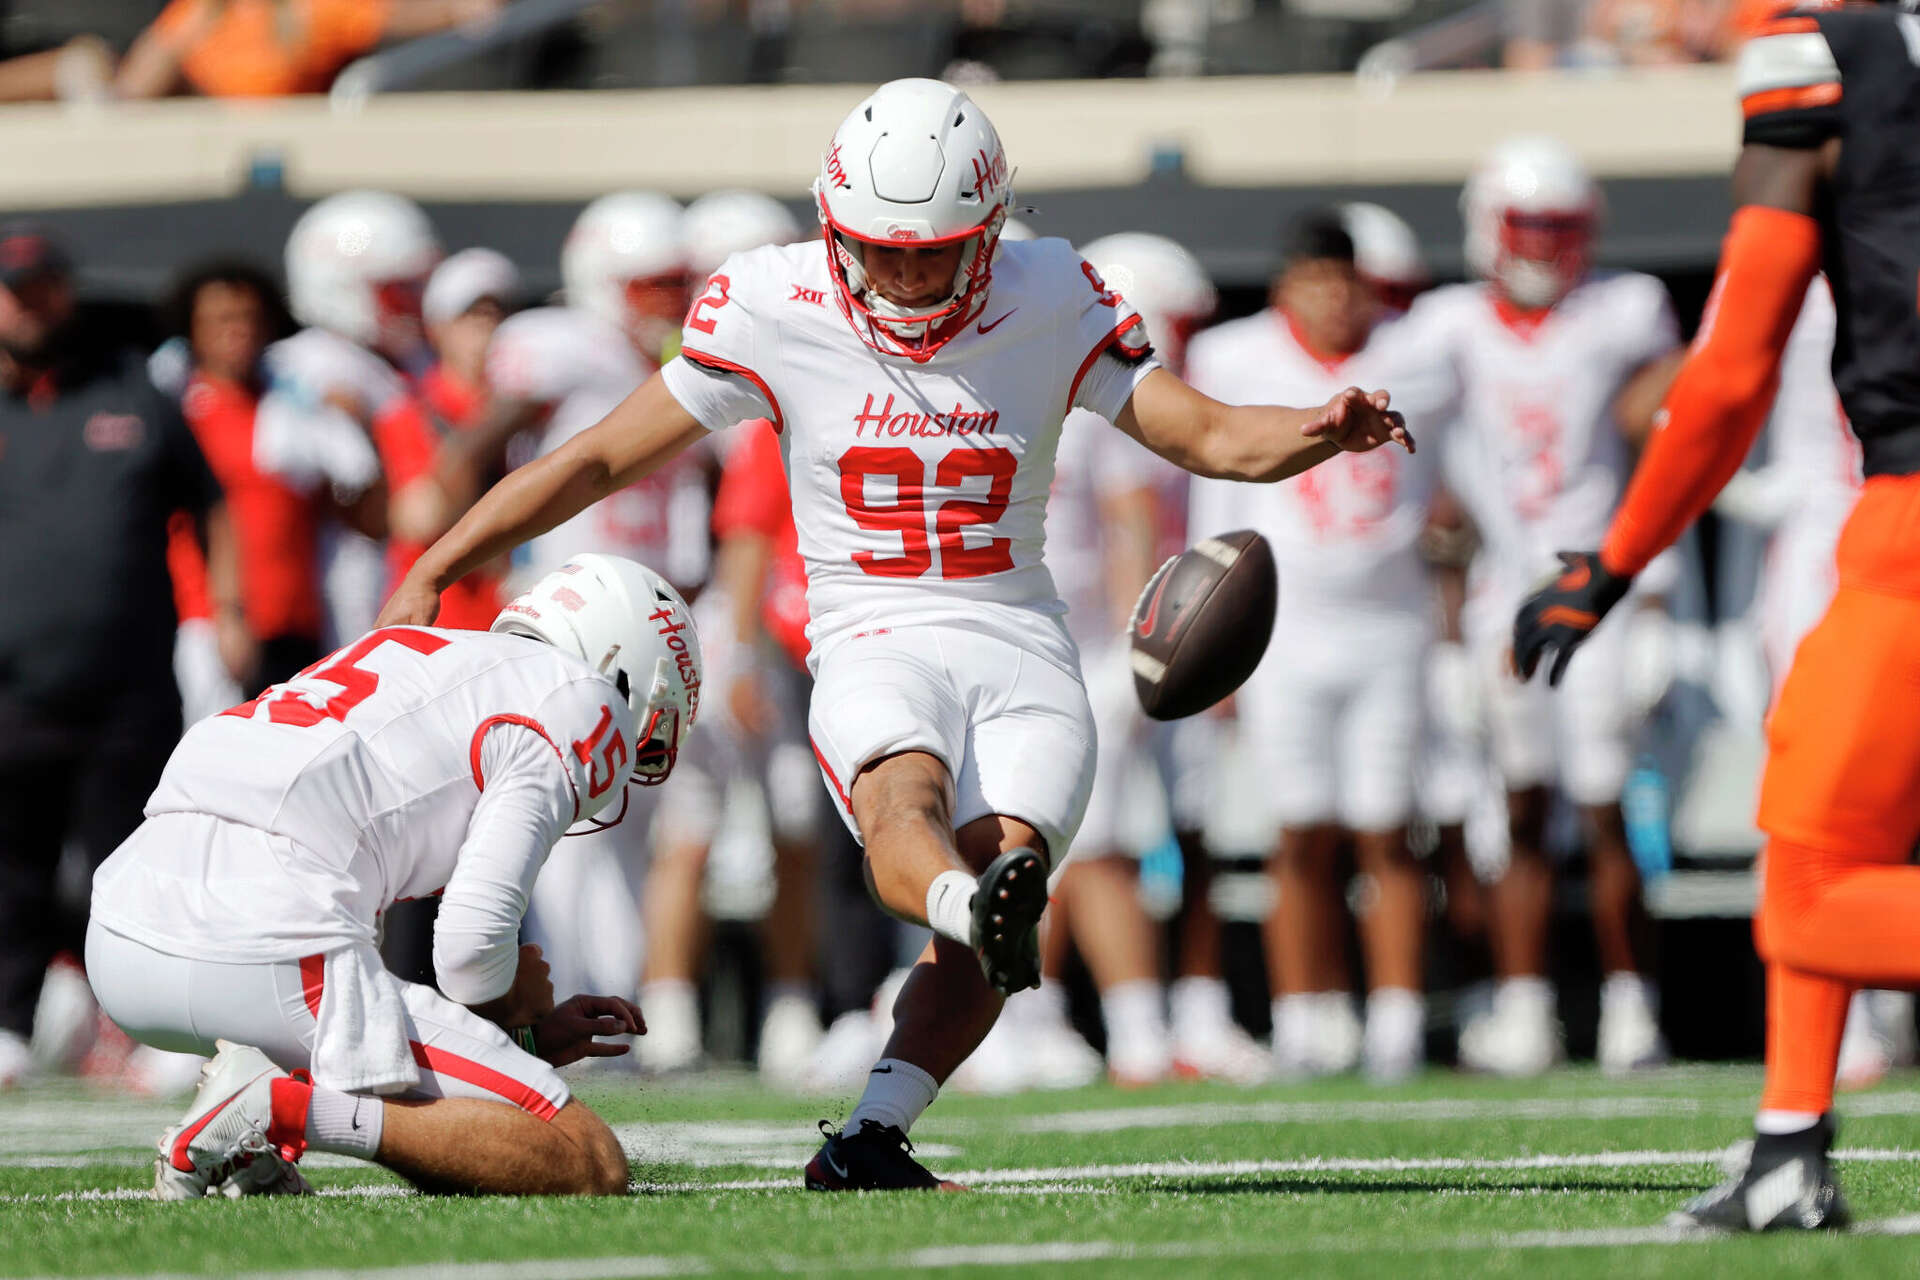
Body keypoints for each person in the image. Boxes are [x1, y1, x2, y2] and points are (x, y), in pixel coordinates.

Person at [379, 77, 1408, 1191]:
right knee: (905, 806)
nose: (909, 276)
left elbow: (1207, 433)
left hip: (1019, 632)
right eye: (883, 250)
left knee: (1009, 874)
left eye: (937, 253)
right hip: (871, 626)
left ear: (991, 227)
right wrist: (440, 560)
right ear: (836, 226)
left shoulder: (1053, 292)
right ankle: (967, 909)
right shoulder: (776, 300)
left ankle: (871, 1133)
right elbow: (594, 458)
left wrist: (1320, 429)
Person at [1514, 6, 1920, 1224]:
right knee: (1815, 836)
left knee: (1810, 891)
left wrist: (1613, 559)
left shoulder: (1826, 58)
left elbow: (1735, 366)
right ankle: (1789, 1147)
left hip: (1909, 521)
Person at [87, 553, 699, 1199]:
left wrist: (517, 1037)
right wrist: (508, 1002)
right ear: (624, 668)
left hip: (122, 935)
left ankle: (246, 1136)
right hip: (261, 941)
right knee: (589, 1161)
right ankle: (275, 1109)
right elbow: (469, 950)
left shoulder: (410, 654)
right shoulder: (580, 696)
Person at [1406, 136, 1681, 1078]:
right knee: (1518, 810)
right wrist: (1448, 632)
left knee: (1605, 807)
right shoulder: (1447, 325)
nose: (1547, 246)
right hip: (1503, 594)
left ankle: (1632, 1008)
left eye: (1562, 227)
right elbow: (1432, 484)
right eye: (1530, 225)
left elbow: (1663, 451)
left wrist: (1657, 602)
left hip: (1599, 583)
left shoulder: (1625, 309)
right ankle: (1525, 1007)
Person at [1187, 211, 1457, 1084]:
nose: (1335, 300)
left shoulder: (1423, 351)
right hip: (1284, 627)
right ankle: (1306, 1017)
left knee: (1388, 830)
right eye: (1317, 280)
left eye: (1347, 281)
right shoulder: (1234, 357)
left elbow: (1469, 464)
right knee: (1298, 831)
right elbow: (1216, 486)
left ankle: (1396, 1022)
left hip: (1391, 623)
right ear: (1285, 288)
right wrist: (1211, 633)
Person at [0, 225, 247, 1088]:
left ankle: (151, 1029)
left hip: (127, 682)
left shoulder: (133, 390)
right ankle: (10, 1027)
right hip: (12, 686)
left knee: (139, 863)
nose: (32, 305)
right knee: (14, 867)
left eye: (45, 286)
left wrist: (230, 609)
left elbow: (212, 502)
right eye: (15, 290)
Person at [377, 246, 522, 632]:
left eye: (498, 314)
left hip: (516, 618)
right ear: (437, 328)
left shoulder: (532, 406)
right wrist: (486, 436)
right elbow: (420, 516)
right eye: (471, 316)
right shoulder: (411, 411)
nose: (488, 329)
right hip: (440, 621)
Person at [114, 0, 504, 99]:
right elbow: (151, 64)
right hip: (204, 126)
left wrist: (457, 9)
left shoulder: (315, 9)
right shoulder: (202, 11)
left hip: (286, 138)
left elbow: (392, 16)